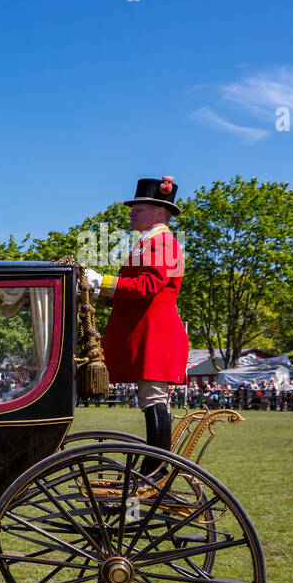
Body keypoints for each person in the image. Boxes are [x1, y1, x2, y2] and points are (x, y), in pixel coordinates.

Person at [85, 176, 188, 479]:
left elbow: (147, 286)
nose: (131, 212)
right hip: (151, 332)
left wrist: (102, 281)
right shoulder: (152, 241)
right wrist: (97, 290)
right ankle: (155, 466)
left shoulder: (162, 242)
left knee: (154, 398)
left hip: (155, 334)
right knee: (151, 399)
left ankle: (157, 469)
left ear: (159, 211)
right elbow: (135, 292)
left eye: (138, 208)